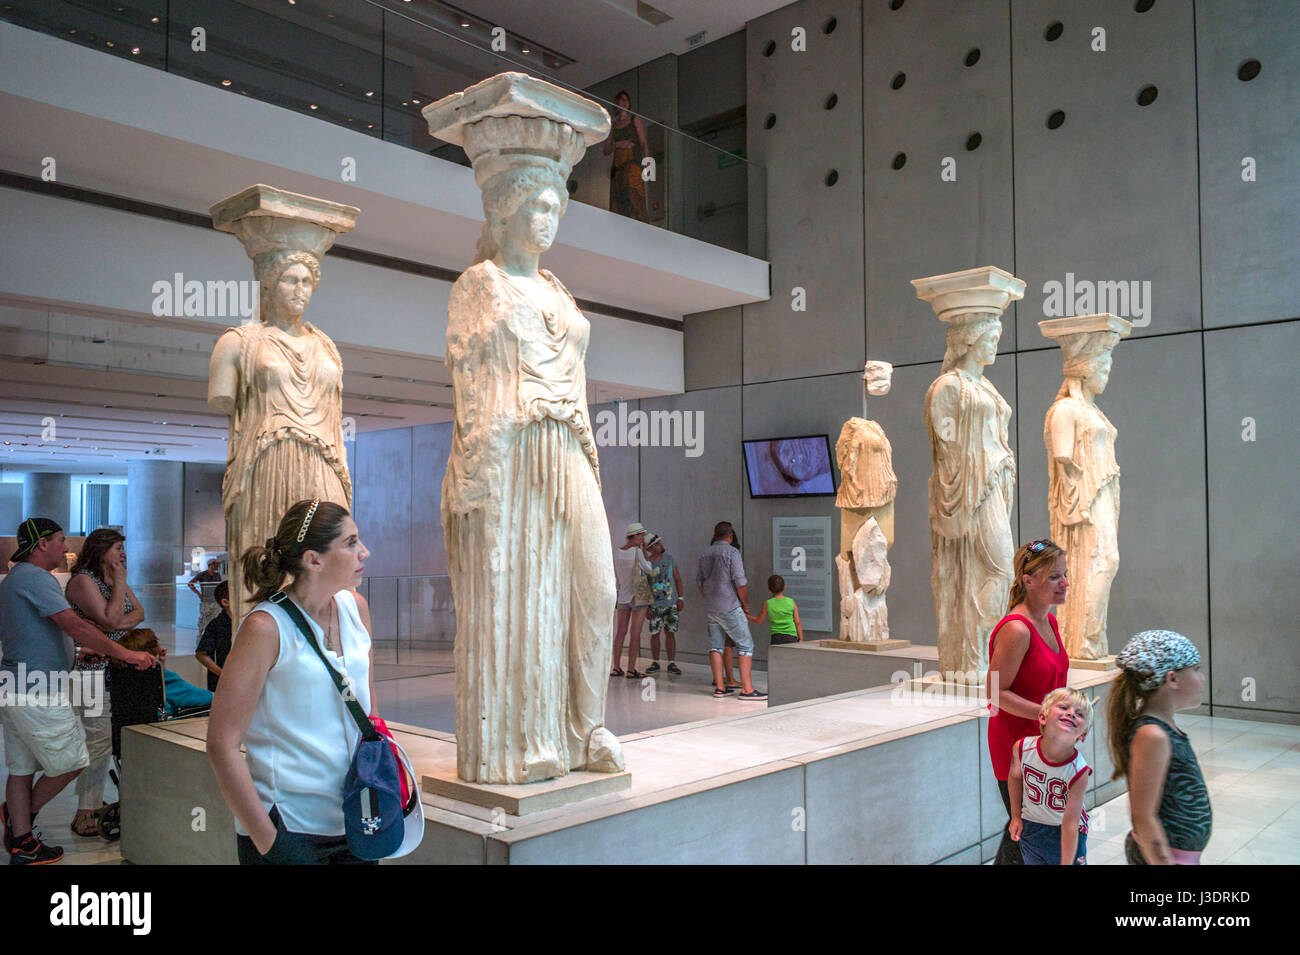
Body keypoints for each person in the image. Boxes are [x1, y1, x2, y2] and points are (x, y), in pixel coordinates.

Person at [207, 499, 380, 865]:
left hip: (357, 819)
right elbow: (222, 744)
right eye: (350, 543)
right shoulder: (265, 628)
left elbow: (369, 711)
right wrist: (267, 838)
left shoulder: (356, 608)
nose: (364, 551)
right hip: (291, 829)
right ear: (313, 560)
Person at [0, 519, 155, 865]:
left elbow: (38, 634)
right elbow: (78, 625)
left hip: (20, 683)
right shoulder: (34, 577)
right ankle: (17, 816)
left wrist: (75, 652)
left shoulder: (19, 580)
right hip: (36, 689)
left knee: (22, 767)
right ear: (41, 545)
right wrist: (125, 653)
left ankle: (23, 842)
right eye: (59, 541)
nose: (66, 548)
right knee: (74, 759)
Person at [986, 539, 1070, 865]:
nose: (1064, 583)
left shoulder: (1050, 621)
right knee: (1029, 827)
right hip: (1016, 747)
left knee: (1025, 828)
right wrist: (1047, 715)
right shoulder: (1017, 630)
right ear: (1028, 580)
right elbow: (994, 692)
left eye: (1064, 575)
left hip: (1045, 741)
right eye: (1054, 577)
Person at [64, 527, 146, 839]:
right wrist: (119, 594)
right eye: (118, 549)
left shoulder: (112, 581)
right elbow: (113, 621)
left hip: (111, 668)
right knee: (98, 739)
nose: (123, 555)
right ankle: (86, 810)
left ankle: (91, 805)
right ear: (101, 550)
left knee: (104, 739)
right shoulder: (85, 580)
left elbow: (138, 613)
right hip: (86, 670)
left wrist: (106, 622)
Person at [1109, 630, 1211, 865]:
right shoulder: (1152, 735)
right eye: (1195, 670)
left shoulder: (1163, 727)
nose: (1202, 678)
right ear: (1172, 679)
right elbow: (1143, 816)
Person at [1007, 688, 1092, 865]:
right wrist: (1015, 816)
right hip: (1031, 826)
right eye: (1063, 707)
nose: (1071, 713)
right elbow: (1015, 777)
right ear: (1043, 717)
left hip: (1066, 832)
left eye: (1079, 713)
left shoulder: (1079, 771)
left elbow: (1070, 824)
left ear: (1083, 735)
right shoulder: (1022, 748)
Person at [696, 521, 765, 702]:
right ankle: (747, 689)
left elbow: (700, 582)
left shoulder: (704, 553)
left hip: (711, 607)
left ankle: (720, 688)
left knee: (716, 646)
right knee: (745, 645)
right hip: (730, 606)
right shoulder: (732, 553)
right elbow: (740, 582)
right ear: (731, 536)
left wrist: (710, 598)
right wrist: (746, 605)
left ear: (715, 534)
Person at [116, 629, 213, 716]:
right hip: (162, 728)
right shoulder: (165, 679)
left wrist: (160, 662)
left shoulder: (121, 674)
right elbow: (206, 698)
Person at [611, 522, 654, 679]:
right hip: (638, 596)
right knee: (635, 634)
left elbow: (616, 574)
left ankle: (616, 667)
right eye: (641, 535)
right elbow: (649, 569)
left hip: (622, 595)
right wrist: (645, 554)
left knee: (620, 633)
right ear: (635, 536)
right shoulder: (637, 552)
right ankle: (631, 669)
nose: (643, 538)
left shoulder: (617, 552)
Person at [602, 90, 650, 221]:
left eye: (626, 100)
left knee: (632, 191)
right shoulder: (613, 125)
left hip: (633, 160)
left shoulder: (634, 119)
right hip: (618, 164)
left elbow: (644, 142)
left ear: (629, 104)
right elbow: (606, 150)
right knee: (619, 195)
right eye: (621, 99)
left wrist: (648, 165)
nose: (623, 102)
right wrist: (618, 144)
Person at [643, 533, 683, 675]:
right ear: (651, 548)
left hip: (670, 603)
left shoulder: (670, 559)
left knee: (670, 633)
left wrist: (681, 598)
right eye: (657, 544)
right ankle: (656, 661)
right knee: (655, 633)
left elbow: (677, 579)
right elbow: (644, 585)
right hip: (654, 605)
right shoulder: (647, 563)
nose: (661, 545)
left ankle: (671, 663)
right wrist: (647, 606)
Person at [195, 580, 233, 692]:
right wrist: (223, 674)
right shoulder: (216, 625)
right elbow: (201, 654)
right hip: (222, 685)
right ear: (226, 602)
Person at [747, 574, 804, 645]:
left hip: (776, 637)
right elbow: (797, 622)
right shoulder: (791, 602)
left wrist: (747, 616)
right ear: (784, 587)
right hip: (791, 636)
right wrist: (801, 638)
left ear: (769, 588)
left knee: (777, 656)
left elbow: (758, 620)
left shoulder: (768, 603)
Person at [189, 558, 222, 631]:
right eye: (216, 564)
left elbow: (219, 586)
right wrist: (199, 594)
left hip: (215, 601)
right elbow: (190, 583)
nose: (218, 566)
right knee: (203, 618)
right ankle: (200, 634)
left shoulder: (217, 575)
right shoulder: (202, 574)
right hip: (206, 600)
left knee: (215, 618)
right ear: (211, 565)